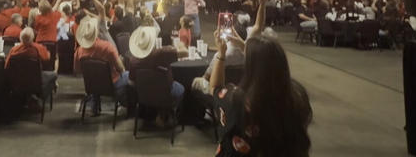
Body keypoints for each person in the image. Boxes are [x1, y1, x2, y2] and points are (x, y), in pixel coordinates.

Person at [210, 22, 312, 156]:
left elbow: (215, 87)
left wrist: (221, 53)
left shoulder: (237, 100)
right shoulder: (297, 96)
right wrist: (246, 46)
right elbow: (266, 60)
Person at [73, 16, 128, 112]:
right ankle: (128, 104)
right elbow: (120, 68)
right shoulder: (107, 47)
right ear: (97, 32)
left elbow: (77, 70)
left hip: (91, 85)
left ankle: (95, 104)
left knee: (95, 77)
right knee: (129, 75)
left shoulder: (79, 51)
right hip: (112, 85)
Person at [128, 26, 186, 107]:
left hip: (143, 95)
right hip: (165, 93)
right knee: (181, 89)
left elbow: (131, 83)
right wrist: (181, 44)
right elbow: (185, 52)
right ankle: (165, 112)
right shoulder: (161, 53)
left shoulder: (132, 60)